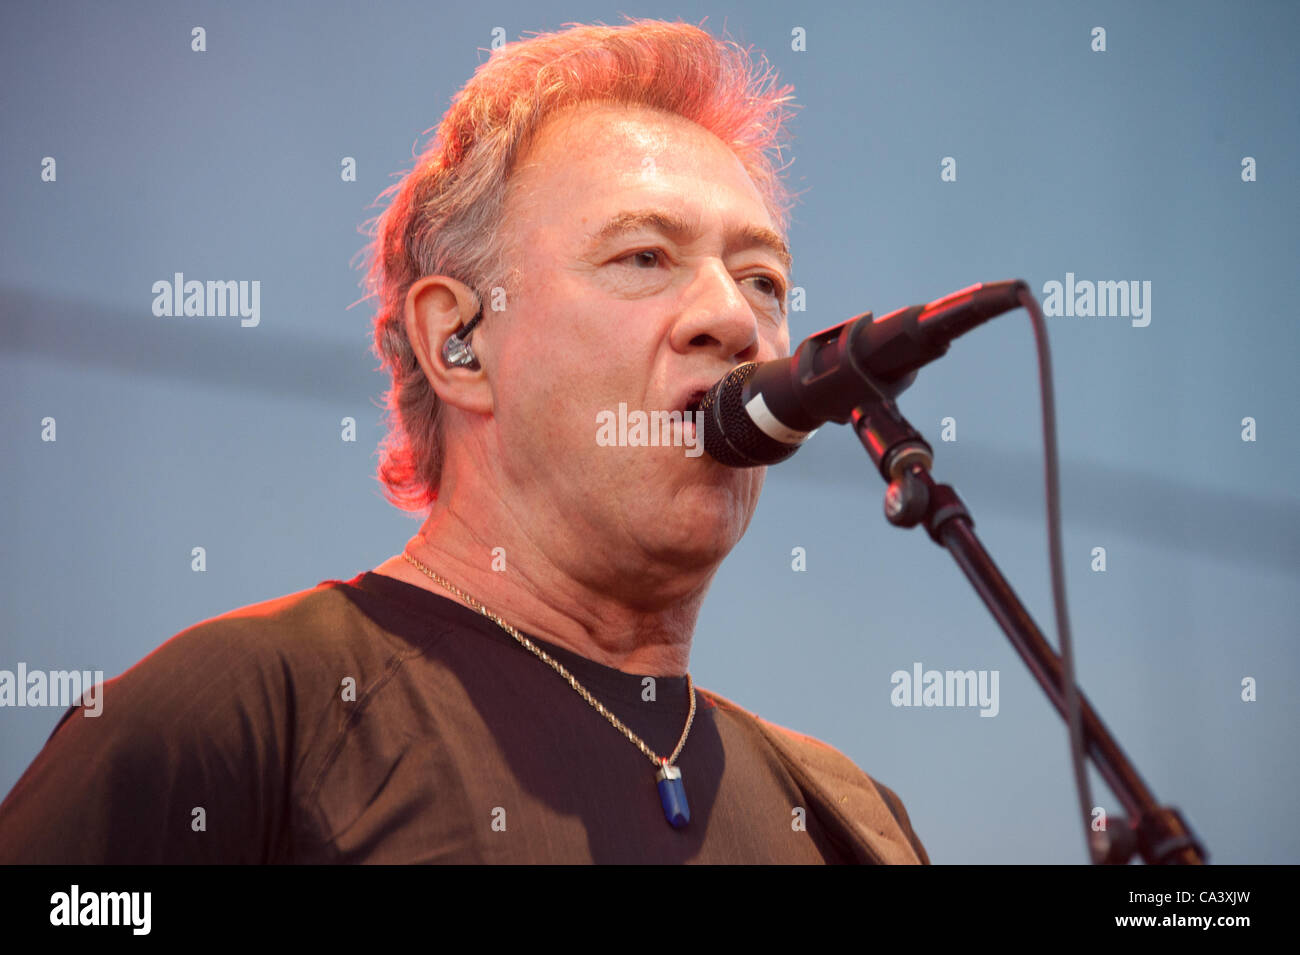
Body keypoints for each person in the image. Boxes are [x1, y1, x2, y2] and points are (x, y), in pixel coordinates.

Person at [0, 18, 928, 864]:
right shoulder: (231, 720)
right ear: (460, 342)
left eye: (763, 279)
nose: (733, 319)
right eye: (644, 256)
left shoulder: (851, 820)